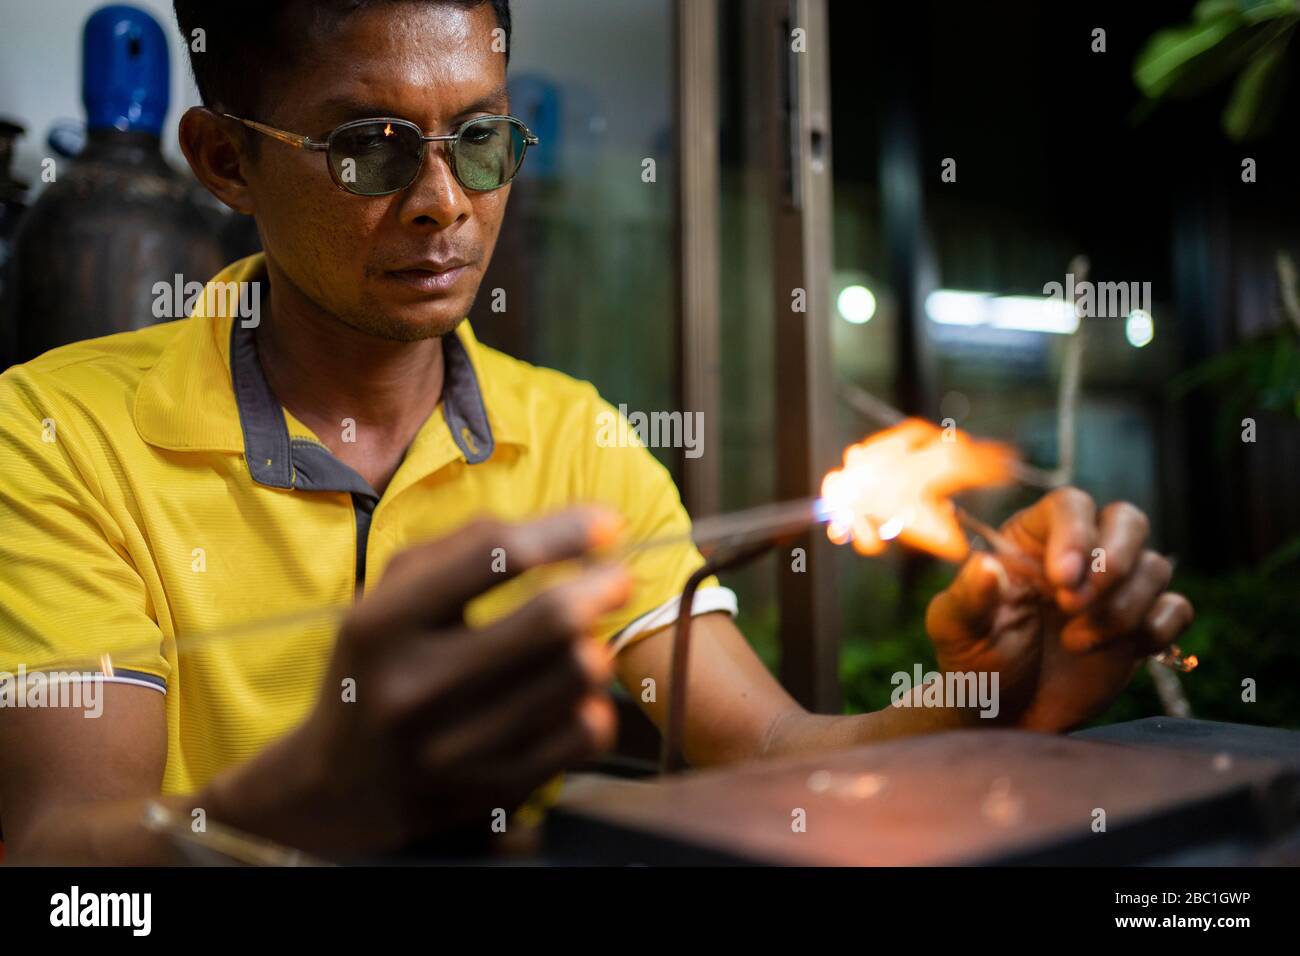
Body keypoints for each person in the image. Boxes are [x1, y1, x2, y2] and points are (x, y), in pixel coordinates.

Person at [0, 0, 1192, 863]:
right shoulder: (56, 434)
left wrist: (988, 696)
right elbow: (59, 865)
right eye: (368, 146)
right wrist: (311, 798)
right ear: (224, 160)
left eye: (478, 138)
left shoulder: (572, 438)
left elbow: (771, 747)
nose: (443, 201)